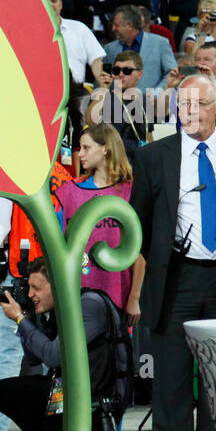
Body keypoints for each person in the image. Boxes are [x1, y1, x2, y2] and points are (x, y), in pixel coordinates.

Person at [130, 75, 216, 431]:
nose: (189, 111)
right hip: (174, 280)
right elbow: (136, 223)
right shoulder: (152, 156)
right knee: (171, 383)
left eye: (198, 103)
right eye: (182, 104)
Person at [0, 257, 126, 431]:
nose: (30, 294)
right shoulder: (55, 310)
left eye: (36, 288)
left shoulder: (89, 305)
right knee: (2, 391)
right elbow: (34, 358)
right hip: (62, 392)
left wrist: (20, 319)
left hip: (93, 401)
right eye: (29, 288)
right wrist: (29, 317)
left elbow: (53, 356)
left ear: (59, 285)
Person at [57, 123, 145, 317]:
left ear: (106, 148)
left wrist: (134, 298)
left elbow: (141, 253)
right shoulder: (68, 192)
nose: (80, 155)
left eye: (86, 148)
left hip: (120, 296)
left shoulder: (131, 192)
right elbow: (57, 247)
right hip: (76, 295)